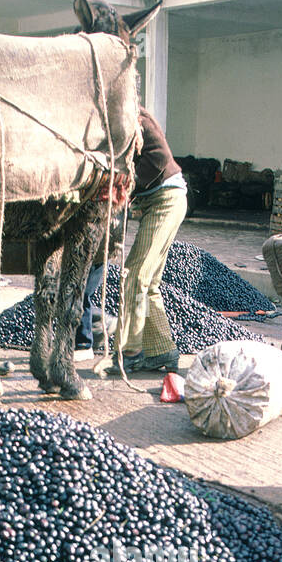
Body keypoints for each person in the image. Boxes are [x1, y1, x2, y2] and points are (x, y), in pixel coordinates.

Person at [111, 109, 187, 373]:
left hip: (166, 199)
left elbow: (157, 159)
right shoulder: (115, 124)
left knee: (134, 276)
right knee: (150, 282)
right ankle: (161, 351)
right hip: (158, 201)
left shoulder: (137, 119)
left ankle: (130, 352)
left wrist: (125, 188)